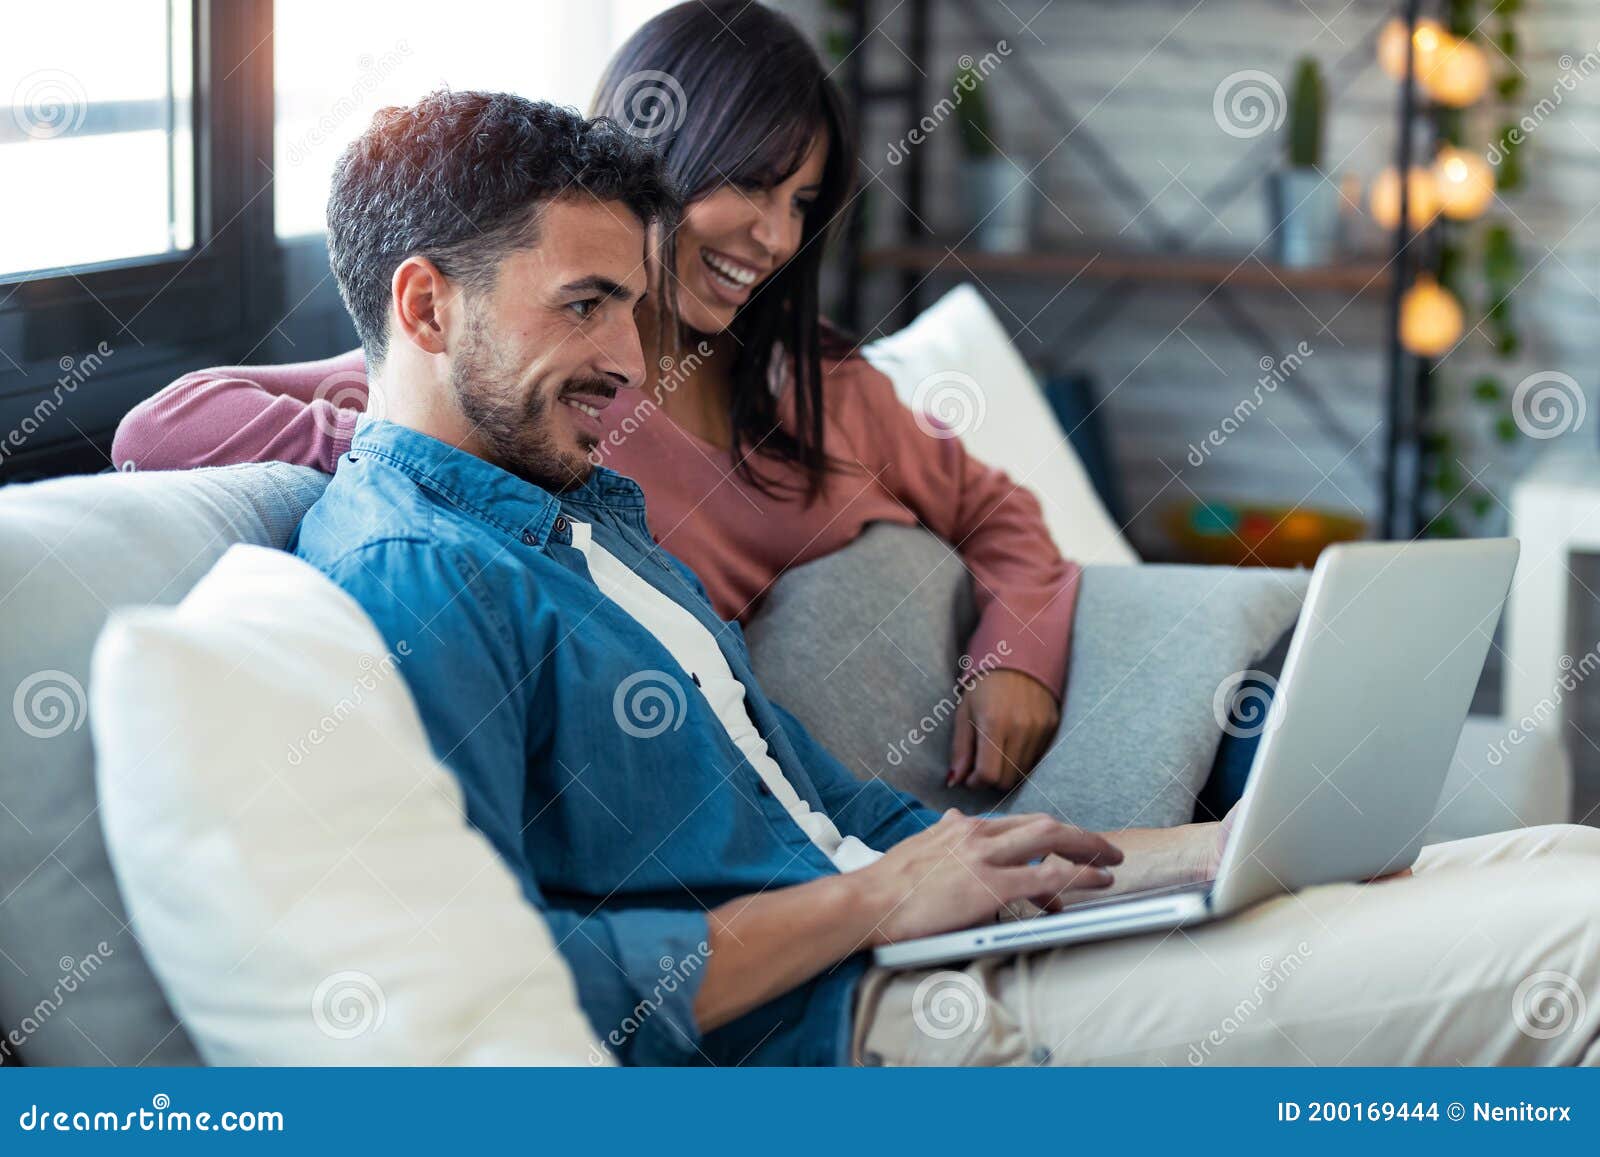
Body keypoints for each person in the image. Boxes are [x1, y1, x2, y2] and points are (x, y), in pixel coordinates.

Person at [287, 88, 1600, 1068]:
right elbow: (503, 975)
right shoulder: (422, 573)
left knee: (1562, 861)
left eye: (634, 309)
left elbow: (880, 826)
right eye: (582, 304)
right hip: (861, 1027)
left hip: (929, 947)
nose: (632, 360)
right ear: (423, 308)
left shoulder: (593, 526)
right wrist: (874, 903)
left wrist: (1223, 856)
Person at [113, 1, 1074, 796]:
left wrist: (1016, 653)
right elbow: (163, 426)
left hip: (948, 760)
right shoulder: (537, 394)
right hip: (790, 807)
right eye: (751, 184)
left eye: (802, 205)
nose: (777, 238)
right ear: (651, 165)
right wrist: (425, 444)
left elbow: (1001, 512)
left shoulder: (817, 384)